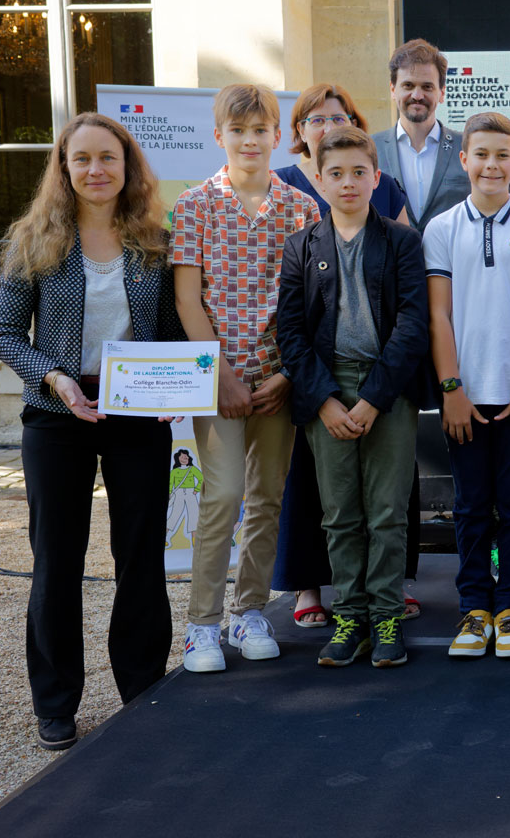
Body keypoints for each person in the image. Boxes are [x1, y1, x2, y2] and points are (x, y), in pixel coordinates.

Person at [0, 113, 183, 751]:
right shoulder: (34, 238)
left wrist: (180, 387)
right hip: (57, 415)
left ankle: (142, 686)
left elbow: (176, 333)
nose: (96, 170)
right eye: (82, 160)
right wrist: (56, 378)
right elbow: (6, 335)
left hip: (136, 412)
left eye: (109, 158)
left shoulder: (155, 239)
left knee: (140, 557)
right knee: (57, 560)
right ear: (64, 168)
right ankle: (55, 703)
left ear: (127, 167)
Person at [172, 83, 320, 674]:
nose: (250, 140)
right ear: (219, 137)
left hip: (278, 378)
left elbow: (312, 302)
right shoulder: (194, 205)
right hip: (219, 377)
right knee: (223, 494)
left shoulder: (301, 208)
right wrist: (223, 375)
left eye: (260, 130)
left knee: (267, 498)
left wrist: (287, 372)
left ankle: (250, 610)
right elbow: (188, 301)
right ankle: (201, 625)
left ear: (277, 136)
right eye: (238, 131)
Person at [277, 126, 432, 669]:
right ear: (317, 180)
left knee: (386, 511)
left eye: (358, 172)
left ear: (377, 178)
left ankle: (386, 616)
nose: (347, 183)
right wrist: (323, 400)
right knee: (339, 512)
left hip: (386, 387)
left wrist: (372, 399)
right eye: (335, 174)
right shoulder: (301, 246)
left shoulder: (402, 242)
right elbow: (290, 333)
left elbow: (414, 325)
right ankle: (351, 615)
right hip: (326, 387)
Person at [426, 112, 510, 660]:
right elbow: (439, 317)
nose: (492, 165)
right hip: (464, 395)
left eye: (503, 155)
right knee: (470, 507)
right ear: (464, 160)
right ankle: (474, 608)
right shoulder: (440, 229)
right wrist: (451, 388)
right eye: (481, 154)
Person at [372, 38, 468, 232]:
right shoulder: (370, 149)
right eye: (408, 86)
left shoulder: (466, 146)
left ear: (442, 93)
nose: (417, 95)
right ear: (393, 90)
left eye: (427, 87)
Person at [166, 449, 203, 548]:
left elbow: (201, 478)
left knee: (194, 515)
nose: (185, 458)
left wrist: (196, 489)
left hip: (191, 493)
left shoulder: (192, 469)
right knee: (175, 514)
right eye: (182, 457)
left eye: (186, 457)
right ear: (177, 458)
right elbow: (170, 483)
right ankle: (164, 537)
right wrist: (169, 493)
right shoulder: (174, 471)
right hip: (179, 493)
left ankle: (195, 540)